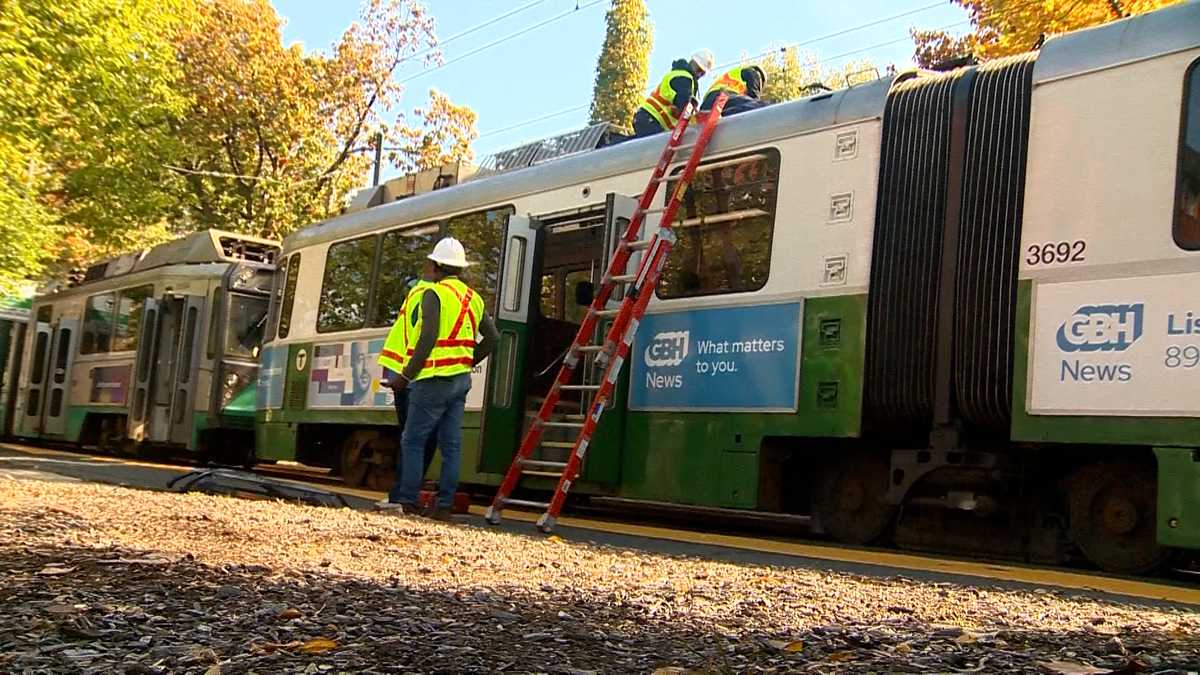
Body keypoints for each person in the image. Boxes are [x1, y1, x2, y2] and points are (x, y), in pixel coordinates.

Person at [375, 237, 499, 520]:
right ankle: (444, 506)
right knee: (451, 445)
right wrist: (467, 361)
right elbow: (493, 338)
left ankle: (407, 501)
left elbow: (427, 338)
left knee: (413, 440)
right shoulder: (473, 298)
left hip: (432, 379)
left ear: (437, 266)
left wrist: (405, 376)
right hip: (460, 380)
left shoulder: (434, 294)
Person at [632, 49, 716, 138]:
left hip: (647, 118)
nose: (699, 75)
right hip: (652, 118)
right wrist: (697, 117)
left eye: (702, 73)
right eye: (698, 70)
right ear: (692, 62)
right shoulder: (684, 77)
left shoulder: (678, 74)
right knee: (657, 145)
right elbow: (684, 103)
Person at [700, 64, 768, 116]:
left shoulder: (734, 74)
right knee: (761, 106)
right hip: (723, 98)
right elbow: (754, 97)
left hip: (706, 105)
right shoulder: (753, 72)